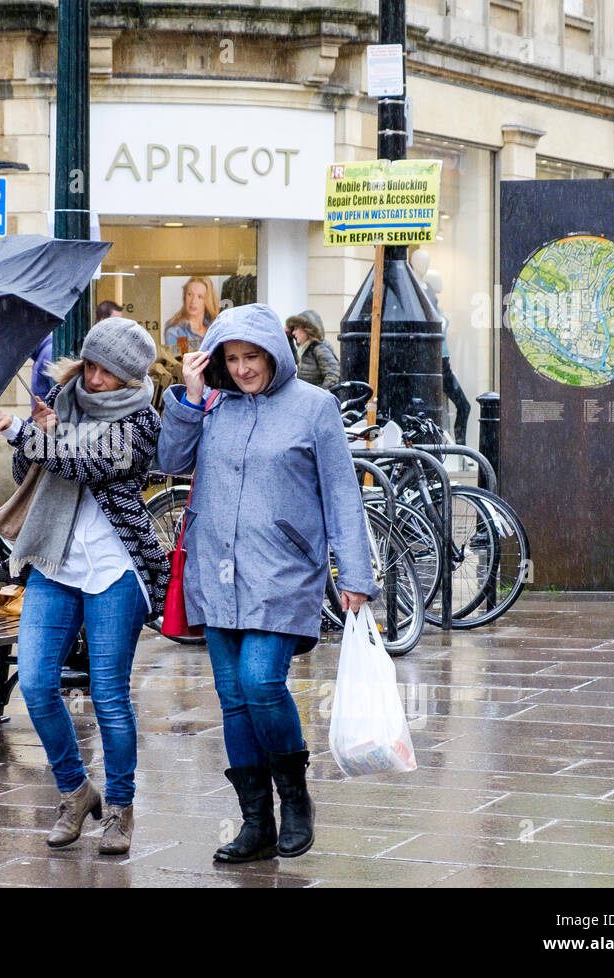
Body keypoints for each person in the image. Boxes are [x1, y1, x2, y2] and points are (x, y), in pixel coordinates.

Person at [157, 302, 378, 864]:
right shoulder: (212, 406)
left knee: (259, 682)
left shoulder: (314, 407)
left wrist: (354, 574)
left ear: (275, 353)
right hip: (216, 570)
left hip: (282, 573)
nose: (241, 368)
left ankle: (295, 797)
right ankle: (256, 823)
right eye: (230, 358)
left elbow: (341, 494)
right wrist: (188, 397)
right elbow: (170, 459)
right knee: (232, 700)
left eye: (250, 356)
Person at [0, 317, 168, 856]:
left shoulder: (142, 422)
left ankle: (121, 810)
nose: (95, 376)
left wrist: (26, 434)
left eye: (108, 370)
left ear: (130, 377)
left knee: (108, 695)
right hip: (55, 562)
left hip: (115, 568)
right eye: (90, 363)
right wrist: (39, 431)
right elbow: (28, 476)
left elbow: (91, 463)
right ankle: (76, 791)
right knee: (37, 685)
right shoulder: (61, 403)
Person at [285, 310, 340, 391]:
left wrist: (321, 394)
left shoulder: (318, 348)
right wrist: (289, 338)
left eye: (296, 328)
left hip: (315, 400)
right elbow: (294, 360)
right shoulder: (306, 349)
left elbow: (333, 373)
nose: (293, 332)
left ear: (307, 329)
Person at [162, 276, 218, 353]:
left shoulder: (214, 329)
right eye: (190, 294)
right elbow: (182, 360)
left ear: (207, 301)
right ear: (184, 296)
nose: (193, 301)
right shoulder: (177, 331)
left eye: (200, 297)